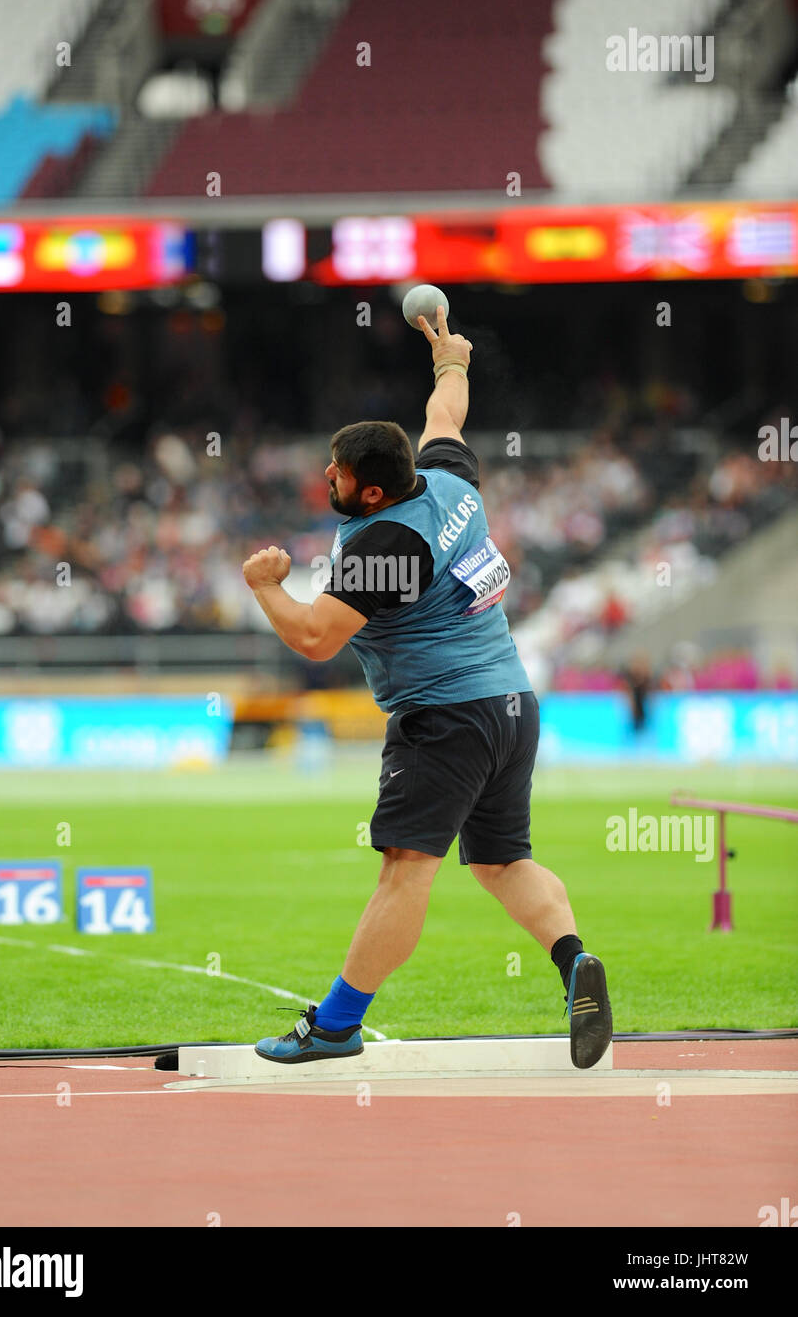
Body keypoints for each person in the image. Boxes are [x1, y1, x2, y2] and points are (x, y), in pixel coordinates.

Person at [242, 306, 611, 1069]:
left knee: (407, 868)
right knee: (501, 862)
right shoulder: (449, 479)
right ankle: (574, 961)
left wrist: (265, 586)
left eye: (337, 476)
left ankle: (338, 1025)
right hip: (513, 706)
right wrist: (452, 360)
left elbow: (314, 637)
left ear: (371, 493)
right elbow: (446, 413)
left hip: (445, 719)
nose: (326, 479)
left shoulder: (385, 548)